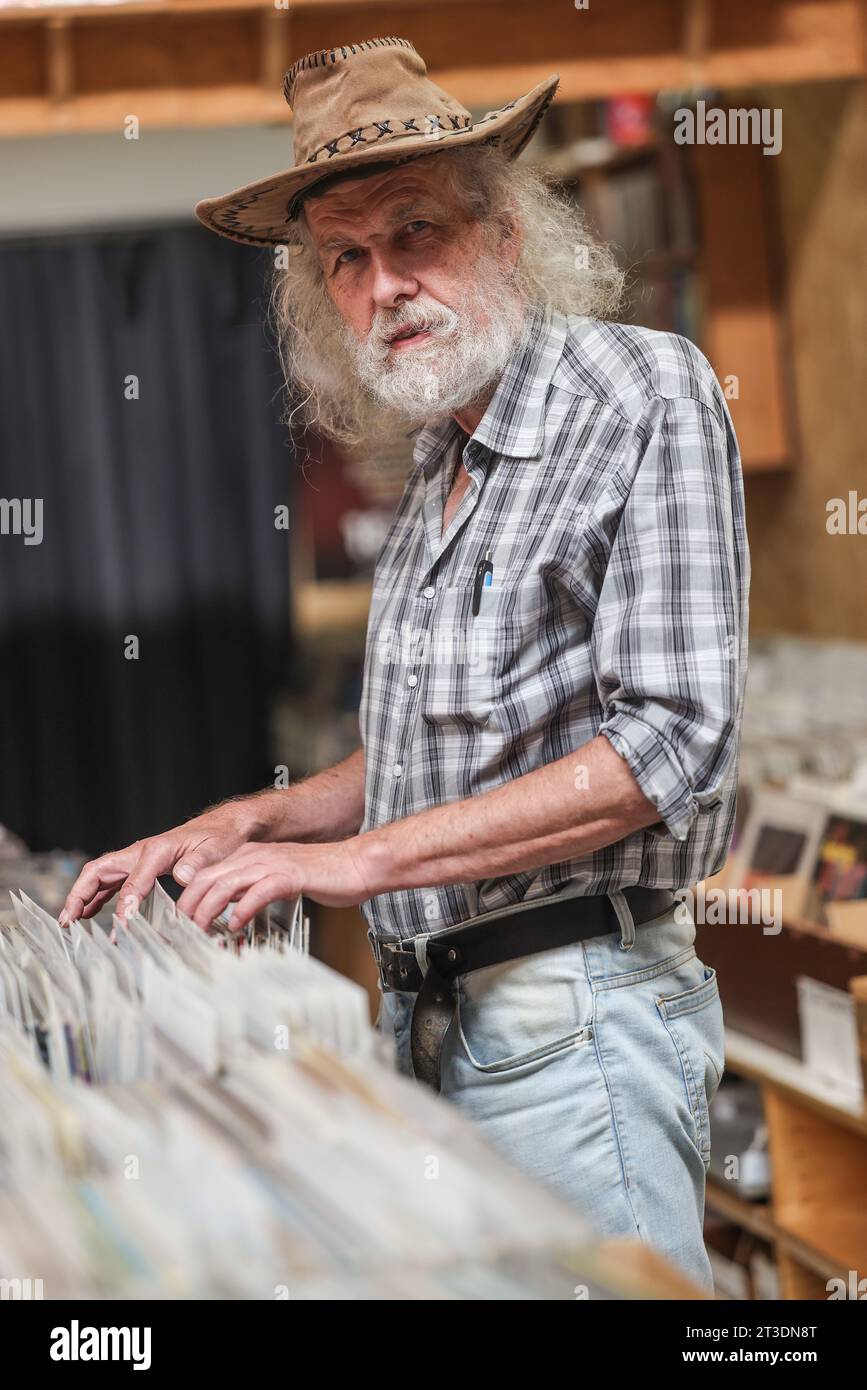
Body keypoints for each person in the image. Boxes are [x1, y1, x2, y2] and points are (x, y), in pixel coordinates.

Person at [61, 37, 750, 1291]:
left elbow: (671, 741)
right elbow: (438, 753)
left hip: (578, 1019)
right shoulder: (445, 449)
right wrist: (248, 820)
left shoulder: (643, 391)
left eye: (416, 232)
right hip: (432, 1018)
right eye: (348, 257)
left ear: (502, 231)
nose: (387, 284)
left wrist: (352, 861)